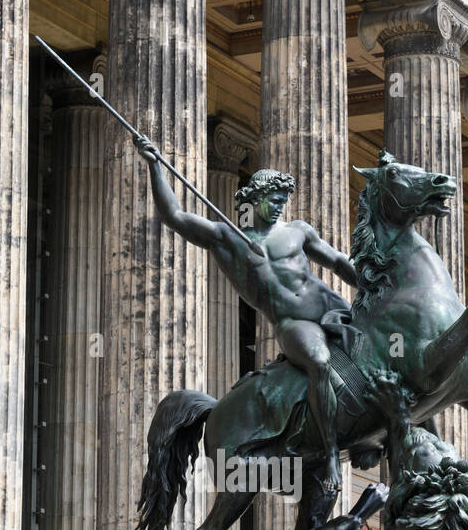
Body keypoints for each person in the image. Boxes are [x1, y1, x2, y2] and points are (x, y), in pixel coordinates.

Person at [134, 135, 356, 495]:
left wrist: (368, 281)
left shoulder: (298, 232)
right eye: (275, 200)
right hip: (295, 324)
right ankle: (331, 454)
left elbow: (336, 261)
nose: (281, 206)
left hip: (332, 308)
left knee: (386, 356)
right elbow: (174, 217)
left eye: (285, 200)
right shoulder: (228, 239)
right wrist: (155, 166)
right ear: (254, 199)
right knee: (318, 361)